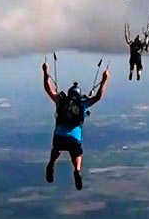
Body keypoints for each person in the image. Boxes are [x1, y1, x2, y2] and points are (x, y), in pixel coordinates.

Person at [43, 61, 108, 190]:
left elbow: (48, 89)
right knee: (76, 155)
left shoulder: (60, 100)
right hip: (75, 138)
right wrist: (105, 79)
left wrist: (45, 72)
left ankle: (51, 163)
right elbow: (98, 96)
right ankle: (77, 170)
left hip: (59, 136)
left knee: (56, 150)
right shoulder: (83, 103)